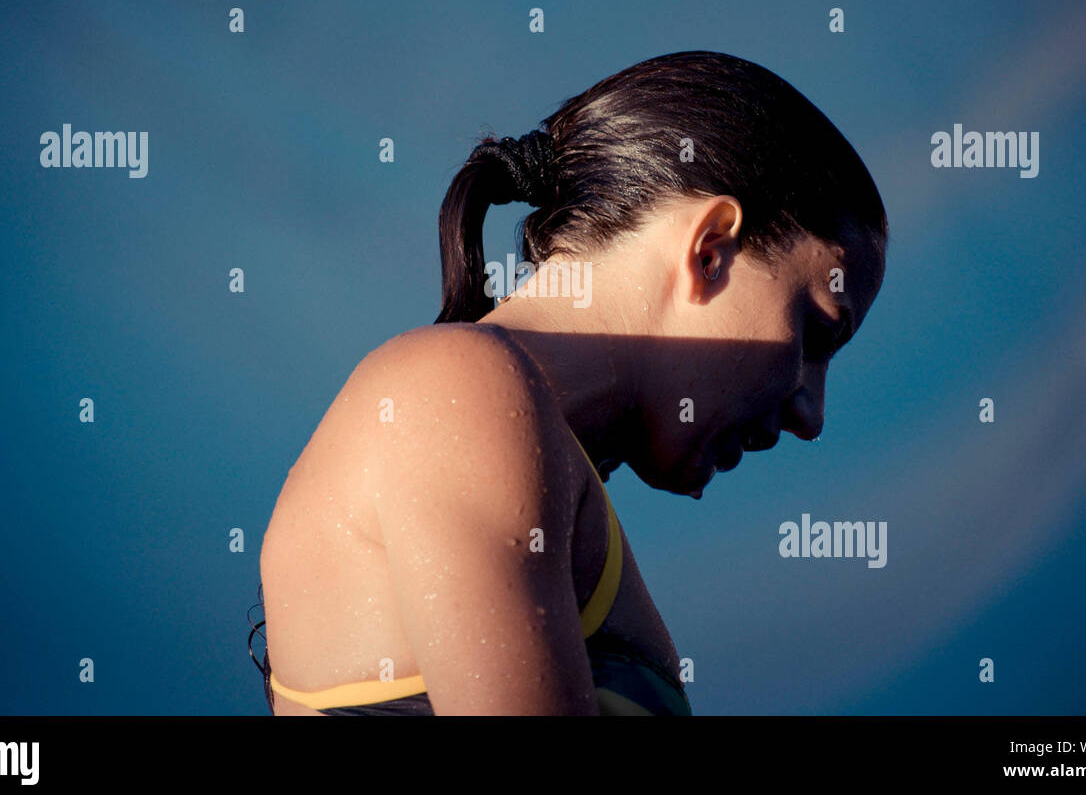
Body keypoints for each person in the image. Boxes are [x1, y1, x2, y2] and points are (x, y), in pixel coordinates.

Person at [248, 49, 888, 715]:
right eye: (818, 332)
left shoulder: (491, 429)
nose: (811, 415)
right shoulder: (451, 390)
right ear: (710, 249)